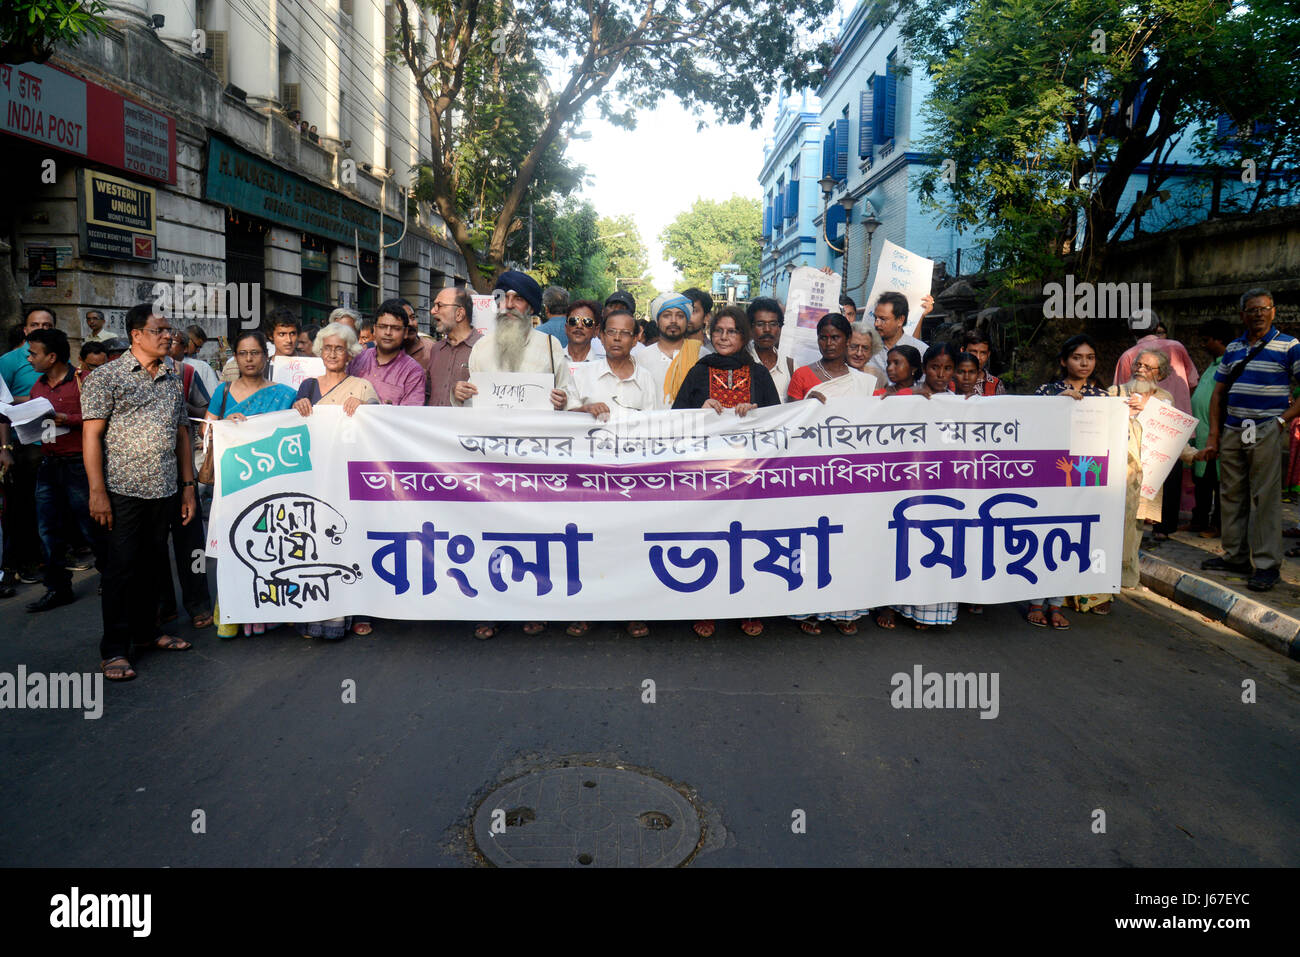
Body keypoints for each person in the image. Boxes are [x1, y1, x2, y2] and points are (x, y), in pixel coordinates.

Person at [454, 270, 578, 641]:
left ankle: (535, 607)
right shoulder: (480, 348)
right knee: (489, 535)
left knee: (535, 535)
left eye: (517, 299)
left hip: (537, 462)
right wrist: (458, 395)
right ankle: (488, 609)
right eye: (503, 298)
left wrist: (563, 401)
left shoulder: (552, 348)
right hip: (491, 460)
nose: (509, 305)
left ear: (531, 307)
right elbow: (465, 407)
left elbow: (570, 397)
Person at [82, 303, 199, 681]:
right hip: (122, 491)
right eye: (160, 330)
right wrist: (97, 491)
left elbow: (182, 434)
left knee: (153, 566)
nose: (170, 335)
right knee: (121, 570)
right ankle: (115, 649)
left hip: (164, 489)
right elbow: (91, 436)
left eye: (170, 330)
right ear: (137, 335)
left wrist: (187, 488)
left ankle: (148, 634)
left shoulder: (171, 375)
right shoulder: (108, 377)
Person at [672, 306, 780, 640]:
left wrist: (757, 413)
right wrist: (698, 409)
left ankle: (749, 607)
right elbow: (673, 421)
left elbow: (779, 423)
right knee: (709, 539)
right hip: (706, 475)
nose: (723, 337)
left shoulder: (759, 374)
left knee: (748, 540)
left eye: (732, 331)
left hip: (749, 475)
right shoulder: (697, 371)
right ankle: (707, 606)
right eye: (718, 330)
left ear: (744, 336)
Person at [565, 308, 659, 640]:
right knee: (592, 545)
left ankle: (633, 611)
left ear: (636, 339)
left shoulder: (646, 379)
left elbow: (657, 428)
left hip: (633, 478)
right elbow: (558, 421)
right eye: (611, 332)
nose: (617, 338)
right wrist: (582, 410)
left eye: (625, 333)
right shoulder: (582, 374)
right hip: (590, 477)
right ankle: (589, 610)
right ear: (601, 336)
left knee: (632, 545)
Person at [1199, 289, 1300, 592]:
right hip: (1234, 427)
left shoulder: (1289, 346)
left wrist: (1282, 420)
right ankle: (1235, 557)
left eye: (1263, 309)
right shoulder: (1234, 347)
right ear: (1242, 314)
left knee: (1265, 497)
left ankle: (1267, 565)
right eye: (1251, 309)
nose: (1258, 314)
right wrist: (1215, 434)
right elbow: (1218, 394)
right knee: (1231, 492)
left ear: (1273, 311)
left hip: (1266, 428)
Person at [206, 330, 298, 636]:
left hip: (271, 482)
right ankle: (234, 614)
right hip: (233, 481)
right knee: (236, 546)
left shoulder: (286, 394)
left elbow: (291, 436)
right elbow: (207, 433)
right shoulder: (223, 391)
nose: (249, 359)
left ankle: (270, 610)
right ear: (235, 356)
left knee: (269, 546)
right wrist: (224, 427)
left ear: (266, 356)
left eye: (255, 353)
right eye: (242, 353)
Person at [291, 322, 378, 639]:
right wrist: (297, 408)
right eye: (326, 347)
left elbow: (381, 431)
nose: (332, 353)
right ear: (318, 350)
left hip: (348, 482)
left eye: (339, 348)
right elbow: (292, 431)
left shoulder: (362, 388)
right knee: (313, 548)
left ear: (350, 353)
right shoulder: (308, 387)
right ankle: (312, 614)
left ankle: (345, 615)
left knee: (345, 547)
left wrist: (367, 410)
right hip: (314, 480)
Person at [1029, 334, 1110, 626]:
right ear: (1064, 361)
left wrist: (1131, 414)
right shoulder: (1046, 391)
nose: (1084, 363)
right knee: (1044, 537)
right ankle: (1035, 602)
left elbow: (1113, 438)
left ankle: (1056, 604)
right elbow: (1031, 428)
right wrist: (1056, 405)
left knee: (1070, 539)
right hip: (1049, 474)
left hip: (1085, 477)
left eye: (1090, 357)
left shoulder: (1103, 398)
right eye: (1078, 357)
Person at [24, 329, 103, 612]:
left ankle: (112, 577)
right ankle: (57, 587)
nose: (29, 358)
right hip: (49, 464)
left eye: (34, 353)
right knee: (48, 529)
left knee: (92, 526)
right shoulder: (38, 386)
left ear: (52, 356)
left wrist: (66, 418)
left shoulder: (85, 382)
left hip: (80, 466)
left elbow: (102, 418)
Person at [1112, 350, 1196, 586]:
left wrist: (1193, 454)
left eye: (1149, 367)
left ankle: (1127, 580)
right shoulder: (1114, 393)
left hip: (1146, 474)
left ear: (1161, 373)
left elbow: (1171, 435)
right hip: (1115, 473)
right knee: (1111, 525)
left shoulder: (1164, 397)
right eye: (1138, 364)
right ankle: (1106, 578)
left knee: (1136, 527)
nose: (1141, 369)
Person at [1113, 311, 1197, 539]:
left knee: (1138, 473)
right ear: (1157, 325)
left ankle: (1136, 520)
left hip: (1141, 426)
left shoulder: (1129, 356)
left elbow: (1120, 393)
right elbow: (1191, 381)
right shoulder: (1177, 347)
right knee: (1172, 474)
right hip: (1176, 423)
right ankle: (1165, 528)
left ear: (1131, 330)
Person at [159, 327, 214, 630]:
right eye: (161, 334)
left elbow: (204, 410)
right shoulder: (123, 376)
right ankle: (164, 606)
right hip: (147, 478)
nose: (168, 342)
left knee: (190, 541)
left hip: (183, 472)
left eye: (172, 338)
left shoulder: (187, 373)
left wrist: (182, 406)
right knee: (154, 548)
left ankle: (198, 603)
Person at [1, 306, 57, 588]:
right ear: (25, 329)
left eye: (47, 325)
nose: (40, 329)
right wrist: (5, 448)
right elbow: (2, 404)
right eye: (35, 325)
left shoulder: (59, 358)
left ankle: (53, 559)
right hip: (25, 444)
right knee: (24, 507)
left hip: (56, 442)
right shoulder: (9, 361)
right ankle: (22, 562)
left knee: (53, 506)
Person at [1191, 320, 1233, 539]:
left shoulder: (1230, 364)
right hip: (1202, 436)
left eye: (1206, 340)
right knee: (1202, 483)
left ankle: (1218, 525)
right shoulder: (1213, 364)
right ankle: (1198, 521)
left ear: (1219, 340)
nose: (1203, 345)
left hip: (1218, 436)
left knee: (1219, 484)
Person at [787, 313, 882, 401]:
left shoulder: (863, 382)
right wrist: (806, 404)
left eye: (835, 338)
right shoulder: (802, 375)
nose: (829, 343)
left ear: (848, 340)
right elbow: (793, 415)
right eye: (823, 338)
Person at [346, 301, 427, 405]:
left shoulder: (413, 372)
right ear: (374, 329)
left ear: (405, 332)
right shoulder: (358, 359)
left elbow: (410, 416)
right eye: (382, 326)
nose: (388, 332)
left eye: (395, 328)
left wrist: (369, 408)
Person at [641, 293, 701, 405]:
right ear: (657, 322)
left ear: (687, 322)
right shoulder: (641, 358)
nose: (673, 321)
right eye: (667, 315)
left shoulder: (701, 355)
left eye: (680, 316)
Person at [428, 286, 482, 406]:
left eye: (439, 305)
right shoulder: (436, 349)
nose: (433, 311)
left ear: (459, 313)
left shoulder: (485, 349)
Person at [221, 309, 299, 382]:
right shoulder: (259, 366)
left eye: (292, 333)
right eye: (282, 334)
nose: (289, 340)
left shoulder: (309, 365)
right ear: (270, 335)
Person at [868, 292, 928, 377]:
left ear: (900, 320)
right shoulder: (867, 350)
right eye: (875, 318)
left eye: (883, 319)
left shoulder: (921, 351)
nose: (876, 324)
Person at [748, 297, 794, 401]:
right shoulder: (739, 362)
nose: (767, 330)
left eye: (773, 324)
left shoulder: (790, 367)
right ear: (750, 328)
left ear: (780, 328)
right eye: (760, 324)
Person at [562, 300, 606, 376]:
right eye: (573, 321)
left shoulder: (603, 367)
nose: (579, 326)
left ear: (596, 331)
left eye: (587, 322)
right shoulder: (553, 360)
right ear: (566, 328)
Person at [958, 329, 1006, 395]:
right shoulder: (948, 382)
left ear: (988, 354)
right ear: (962, 350)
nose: (978, 358)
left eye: (983, 353)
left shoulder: (996, 385)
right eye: (973, 352)